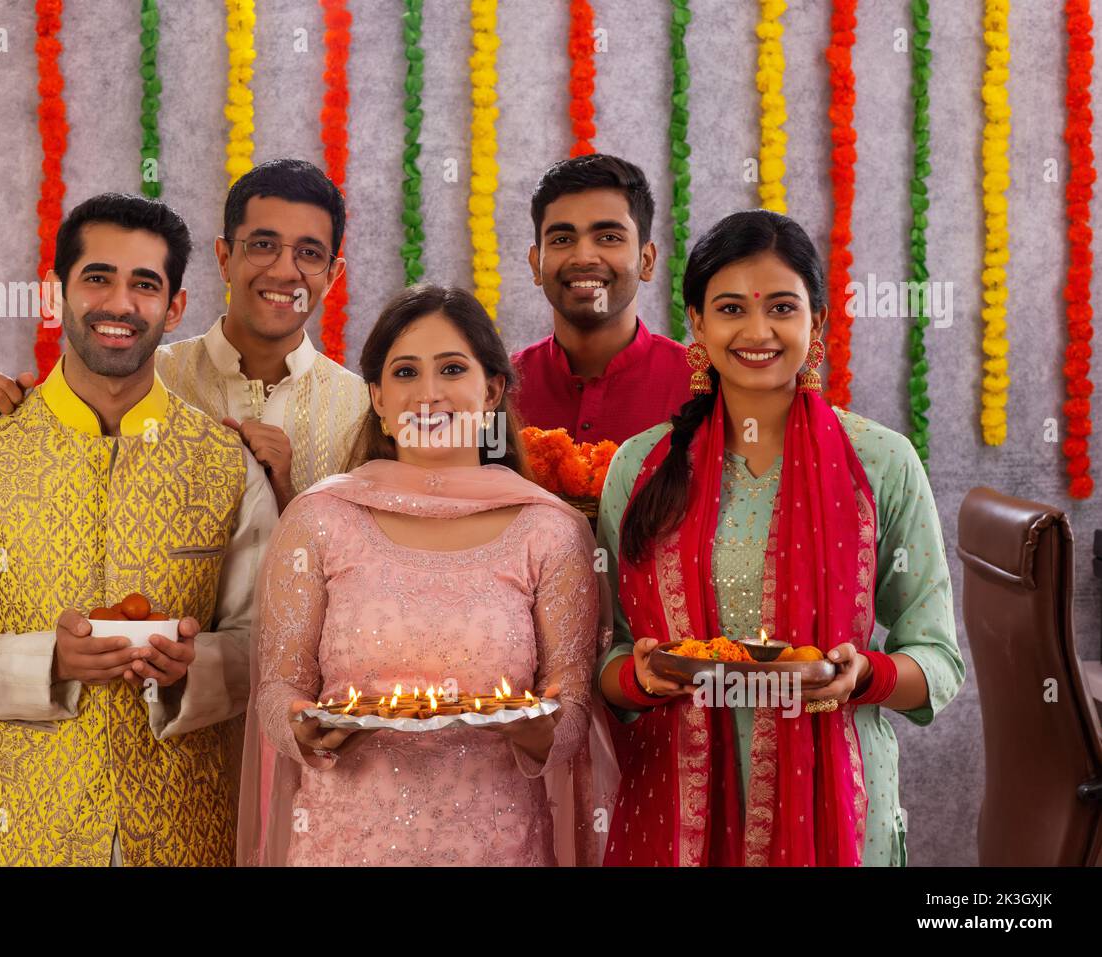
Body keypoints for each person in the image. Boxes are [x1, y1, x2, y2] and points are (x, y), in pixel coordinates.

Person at [0, 193, 279, 865]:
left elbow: (270, 649)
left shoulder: (226, 466)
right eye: (98, 277)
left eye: (145, 284)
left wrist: (192, 669)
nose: (119, 303)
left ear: (174, 308)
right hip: (15, 839)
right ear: (58, 291)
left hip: (188, 833)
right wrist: (47, 662)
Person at [596, 209, 965, 866]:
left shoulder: (880, 461)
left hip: (840, 810)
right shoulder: (641, 467)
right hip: (676, 808)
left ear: (816, 323)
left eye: (782, 308)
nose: (758, 331)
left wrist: (865, 675)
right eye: (732, 307)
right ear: (698, 324)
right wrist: (642, 677)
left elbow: (937, 659)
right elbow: (607, 654)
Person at [240, 284, 619, 866]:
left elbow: (572, 710)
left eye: (451, 368)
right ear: (378, 398)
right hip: (342, 846)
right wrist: (300, 727)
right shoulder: (319, 520)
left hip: (498, 847)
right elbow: (278, 689)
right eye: (406, 372)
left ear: (491, 390)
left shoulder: (551, 531)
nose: (429, 393)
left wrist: (534, 727)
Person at [0, 159, 371, 513]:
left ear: (333, 276)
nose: (284, 271)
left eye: (310, 254)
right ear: (224, 258)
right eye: (262, 245)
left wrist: (285, 500)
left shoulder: (364, 411)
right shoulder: (139, 377)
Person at [511, 154, 693, 445]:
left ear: (646, 261)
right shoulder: (498, 391)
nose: (583, 257)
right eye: (562, 239)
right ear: (536, 264)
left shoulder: (703, 388)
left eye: (609, 238)